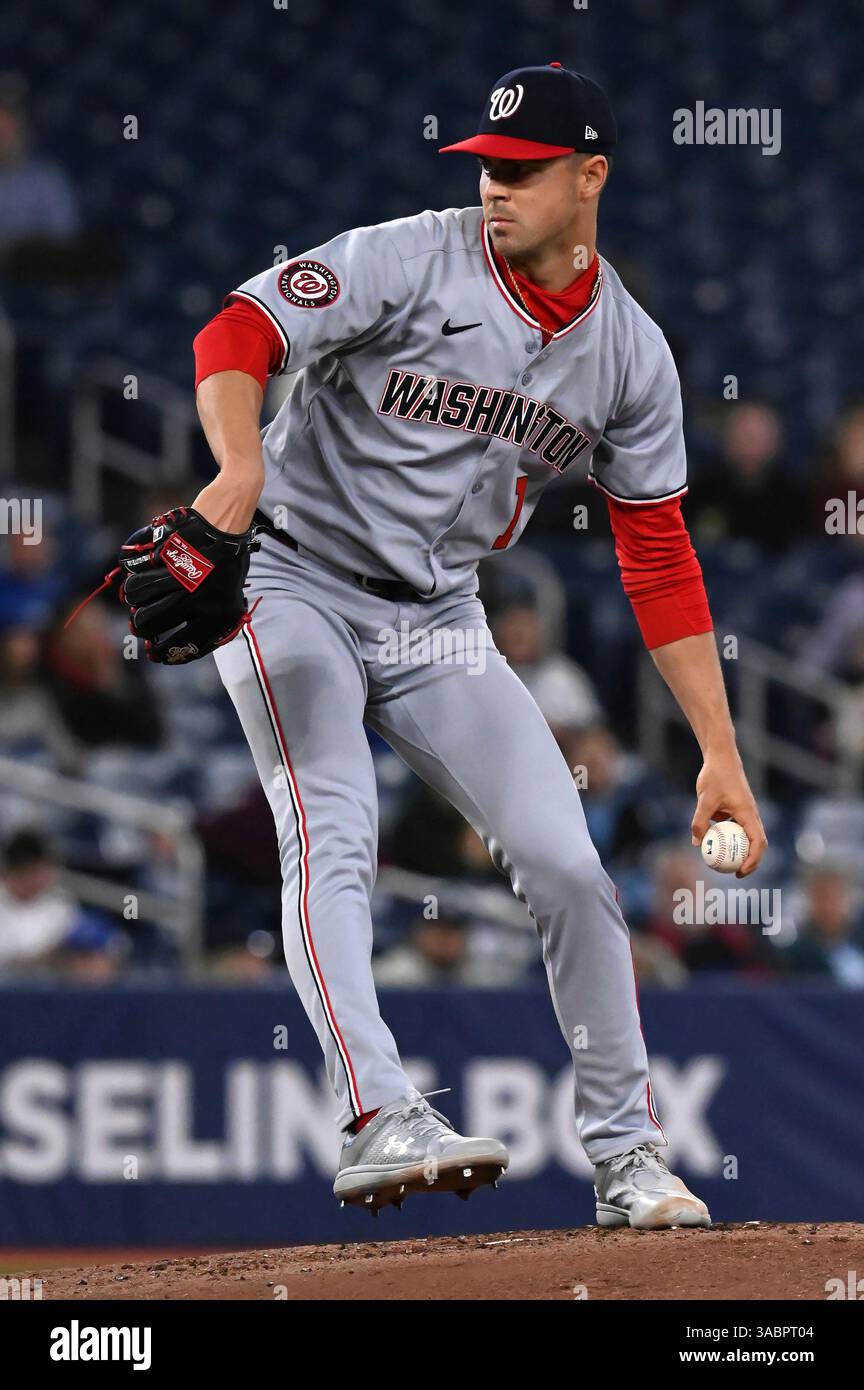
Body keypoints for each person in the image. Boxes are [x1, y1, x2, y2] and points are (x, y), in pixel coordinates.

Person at [147, 64, 768, 1228]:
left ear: (592, 178)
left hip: (441, 616)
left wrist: (718, 751)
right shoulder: (410, 256)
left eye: (524, 170)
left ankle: (628, 1153)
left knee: (571, 863)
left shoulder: (630, 353)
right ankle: (378, 1113)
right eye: (487, 163)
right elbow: (237, 329)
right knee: (332, 822)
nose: (495, 186)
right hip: (288, 574)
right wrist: (237, 465)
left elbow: (661, 557)